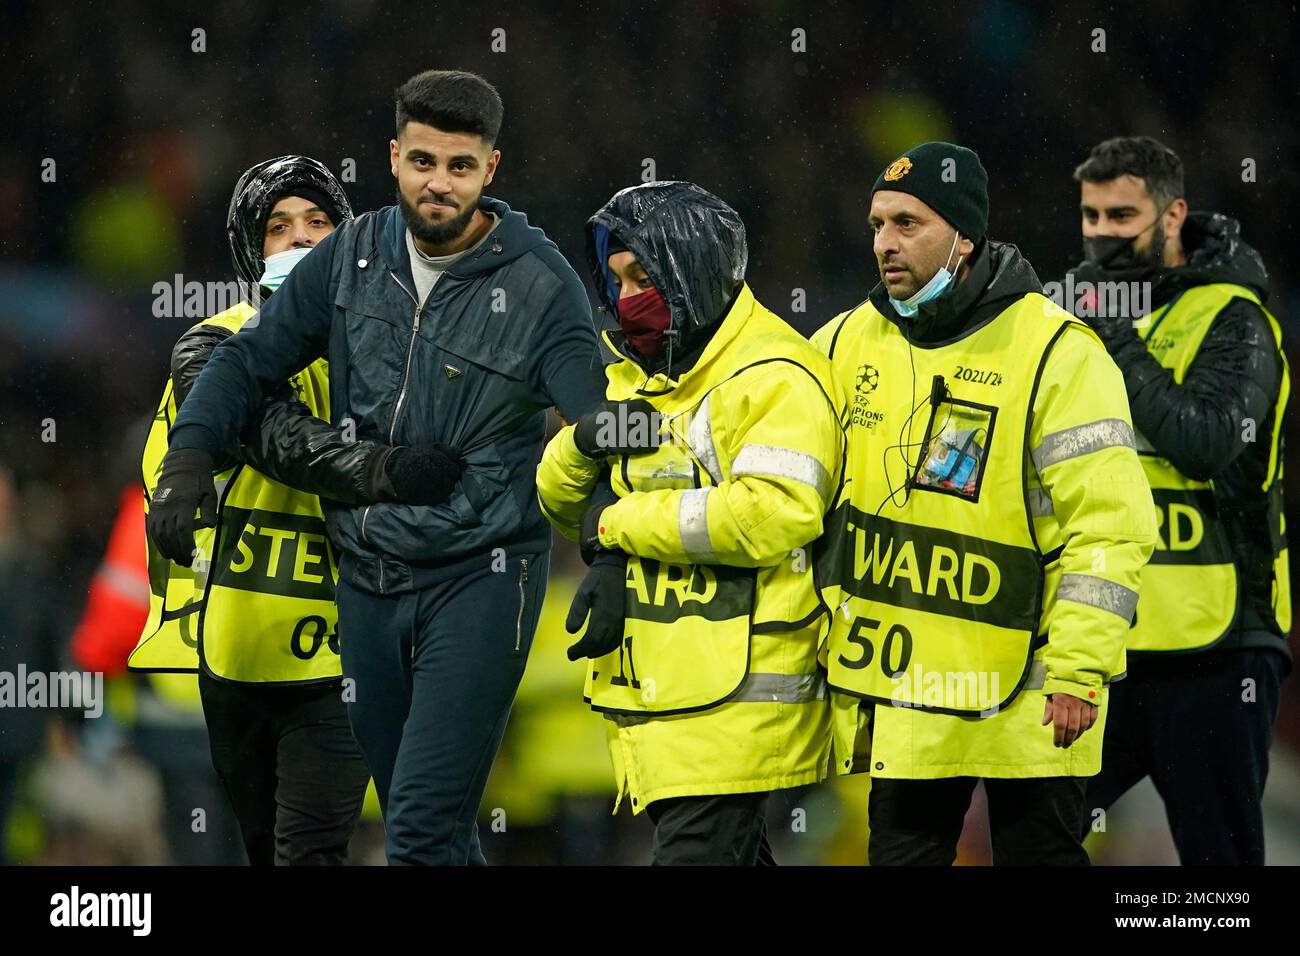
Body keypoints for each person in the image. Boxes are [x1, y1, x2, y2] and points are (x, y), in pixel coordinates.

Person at [145, 71, 605, 865]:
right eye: (423, 161)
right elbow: (247, 363)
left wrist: (608, 548)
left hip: (479, 576)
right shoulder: (353, 258)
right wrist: (189, 458)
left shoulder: (540, 284)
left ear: (490, 170)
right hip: (364, 582)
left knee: (417, 834)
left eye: (461, 166)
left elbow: (593, 424)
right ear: (394, 159)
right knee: (432, 831)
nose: (439, 183)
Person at [812, 141, 1156, 865]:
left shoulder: (1057, 351)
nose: (884, 244)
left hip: (1032, 692)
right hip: (904, 692)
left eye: (908, 224)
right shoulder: (844, 343)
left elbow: (1112, 526)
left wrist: (1078, 669)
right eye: (877, 223)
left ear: (965, 237)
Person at [132, 155, 429, 864]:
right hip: (235, 644)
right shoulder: (211, 344)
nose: (301, 241)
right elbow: (277, 438)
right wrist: (377, 469)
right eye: (279, 227)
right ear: (249, 247)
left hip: (342, 649)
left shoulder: (394, 351)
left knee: (311, 851)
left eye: (320, 224)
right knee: (264, 851)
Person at [537, 181, 844, 865]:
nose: (625, 300)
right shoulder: (638, 371)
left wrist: (617, 525)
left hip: (739, 702)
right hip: (666, 697)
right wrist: (583, 443)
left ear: (695, 268)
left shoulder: (777, 374)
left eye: (643, 276)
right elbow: (560, 507)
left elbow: (770, 513)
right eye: (615, 280)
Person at [1066, 136, 1290, 864]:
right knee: (1033, 835)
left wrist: (1115, 341)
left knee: (1218, 876)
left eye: (1121, 214)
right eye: (1090, 215)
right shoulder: (1078, 310)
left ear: (1173, 215)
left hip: (1217, 649)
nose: (1102, 232)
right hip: (1105, 644)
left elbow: (1208, 440)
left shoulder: (1236, 319)